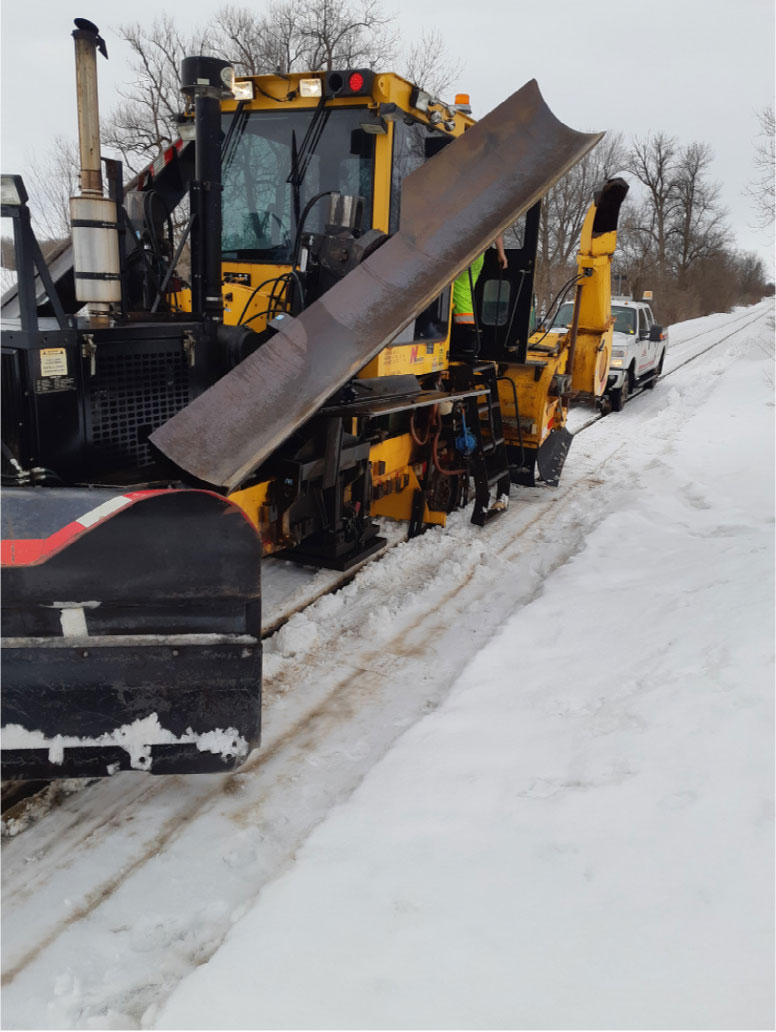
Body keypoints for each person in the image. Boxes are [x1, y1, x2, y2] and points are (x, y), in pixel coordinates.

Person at [451, 235, 508, 355]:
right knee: (465, 290)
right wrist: (501, 253)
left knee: (458, 290)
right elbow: (497, 230)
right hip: (479, 255)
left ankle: (467, 340)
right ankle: (469, 338)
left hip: (466, 252)